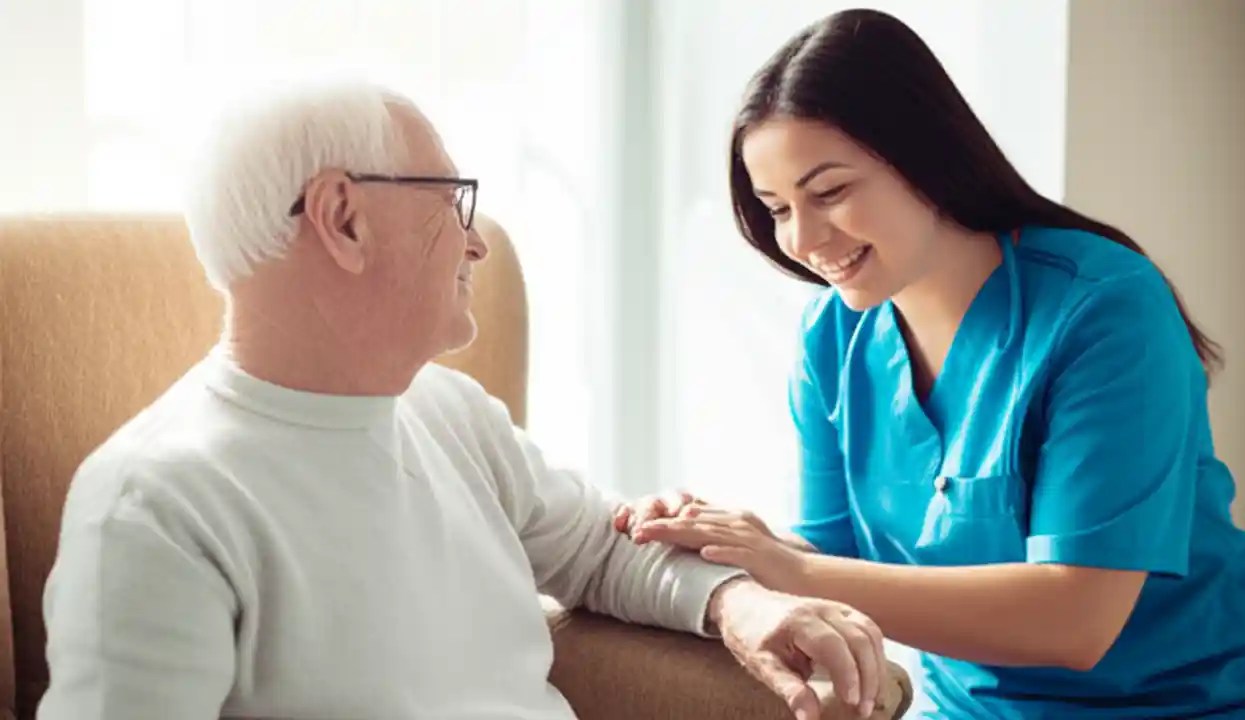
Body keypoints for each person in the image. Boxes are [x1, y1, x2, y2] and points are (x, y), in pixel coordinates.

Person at [37, 79, 888, 720]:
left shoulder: (448, 412)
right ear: (343, 218)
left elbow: (601, 551)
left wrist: (739, 601)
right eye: (451, 202)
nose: (477, 242)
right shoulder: (154, 508)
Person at [616, 8, 1245, 719]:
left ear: (921, 155)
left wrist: (789, 564)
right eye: (777, 208)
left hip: (1191, 705)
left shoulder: (1107, 310)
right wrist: (722, 540)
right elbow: (832, 561)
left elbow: (1078, 619)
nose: (801, 240)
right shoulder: (834, 333)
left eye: (830, 192)